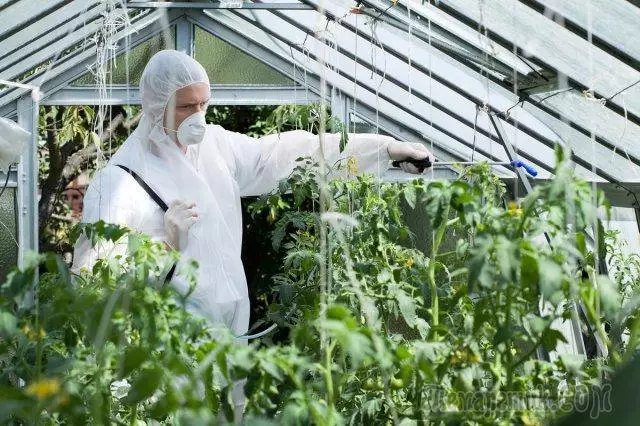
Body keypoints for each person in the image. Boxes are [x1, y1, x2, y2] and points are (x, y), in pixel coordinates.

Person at [72, 49, 432, 416]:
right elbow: (96, 283)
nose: (198, 116)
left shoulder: (215, 148)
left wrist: (384, 150)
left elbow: (289, 153)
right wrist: (165, 246)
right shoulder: (119, 182)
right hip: (162, 358)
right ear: (155, 106)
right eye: (185, 107)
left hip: (227, 340)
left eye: (204, 104)